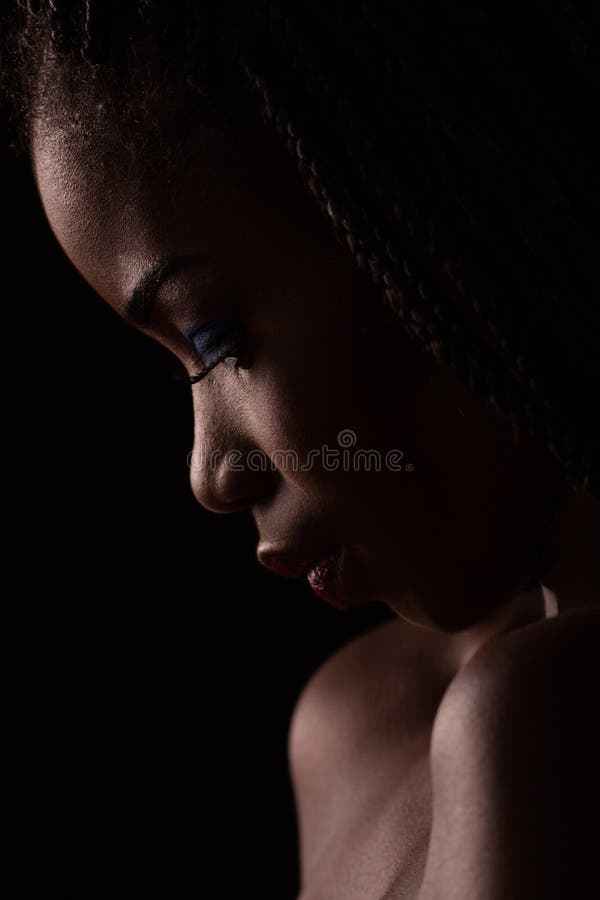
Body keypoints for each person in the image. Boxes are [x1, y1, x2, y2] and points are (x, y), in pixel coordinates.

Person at [2, 3, 598, 897]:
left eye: (216, 337)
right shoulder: (354, 727)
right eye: (182, 369)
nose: (210, 477)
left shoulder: (543, 731)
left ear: (430, 191)